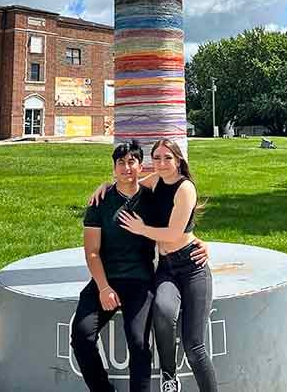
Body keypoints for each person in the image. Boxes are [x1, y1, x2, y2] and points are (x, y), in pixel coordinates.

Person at [72, 141, 208, 392]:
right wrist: (103, 288)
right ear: (113, 168)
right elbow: (92, 252)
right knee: (81, 335)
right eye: (120, 163)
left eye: (131, 162)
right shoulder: (100, 202)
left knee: (139, 344)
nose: (126, 168)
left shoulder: (151, 197)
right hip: (107, 279)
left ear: (139, 166)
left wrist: (196, 240)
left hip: (140, 280)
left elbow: (175, 224)